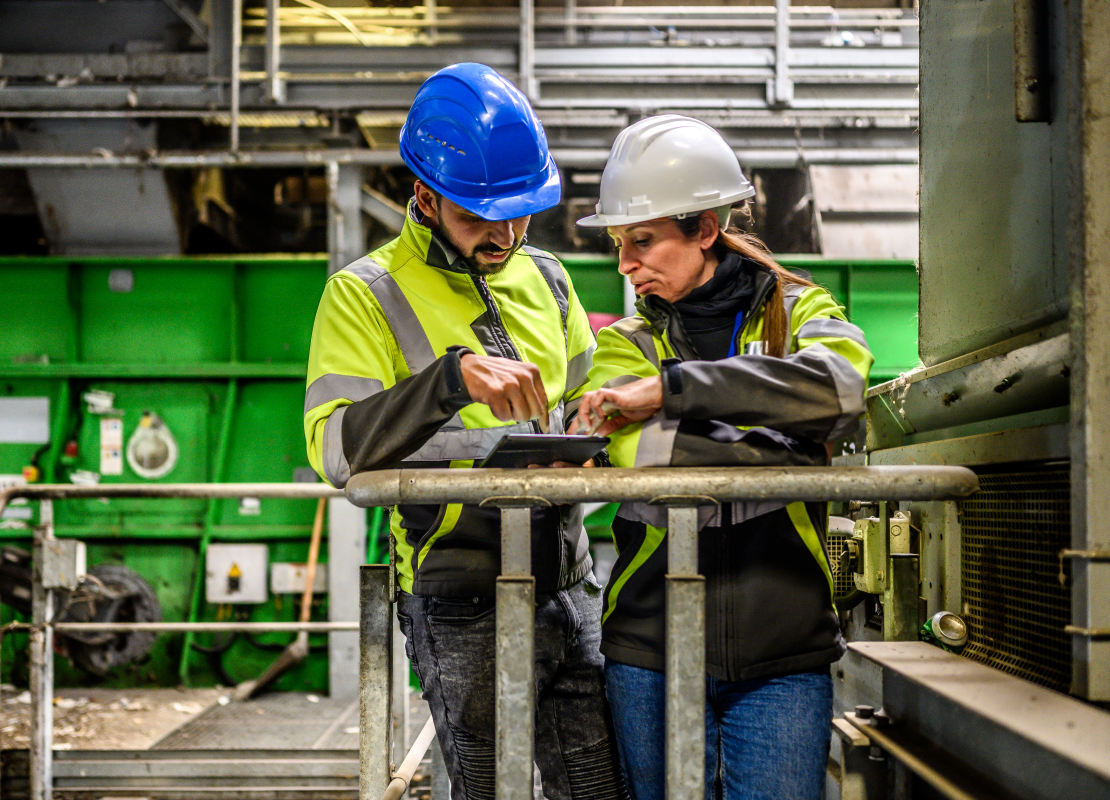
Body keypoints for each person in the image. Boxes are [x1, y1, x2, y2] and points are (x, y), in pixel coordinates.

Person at [304, 63, 626, 800]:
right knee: (484, 790)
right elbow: (333, 448)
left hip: (569, 582)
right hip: (458, 599)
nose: (506, 233)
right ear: (423, 195)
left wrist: (593, 430)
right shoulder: (363, 296)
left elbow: (587, 401)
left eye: (521, 212)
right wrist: (449, 381)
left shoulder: (547, 279)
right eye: (481, 215)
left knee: (598, 788)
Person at [570, 115, 873, 800]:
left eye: (641, 241)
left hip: (783, 651)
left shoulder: (800, 309)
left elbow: (841, 391)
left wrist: (675, 391)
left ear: (704, 228)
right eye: (620, 244)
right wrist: (785, 442)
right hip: (651, 648)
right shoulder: (624, 345)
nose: (625, 264)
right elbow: (634, 453)